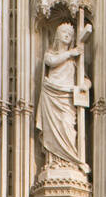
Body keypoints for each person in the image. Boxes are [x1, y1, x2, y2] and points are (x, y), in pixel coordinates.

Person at [36, 21, 92, 172]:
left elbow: (86, 79)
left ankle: (71, 162)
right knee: (53, 131)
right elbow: (51, 62)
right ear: (57, 36)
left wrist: (84, 86)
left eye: (70, 33)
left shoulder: (75, 61)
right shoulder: (52, 54)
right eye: (63, 32)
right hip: (51, 95)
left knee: (67, 127)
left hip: (67, 98)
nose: (67, 35)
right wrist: (70, 53)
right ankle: (53, 162)